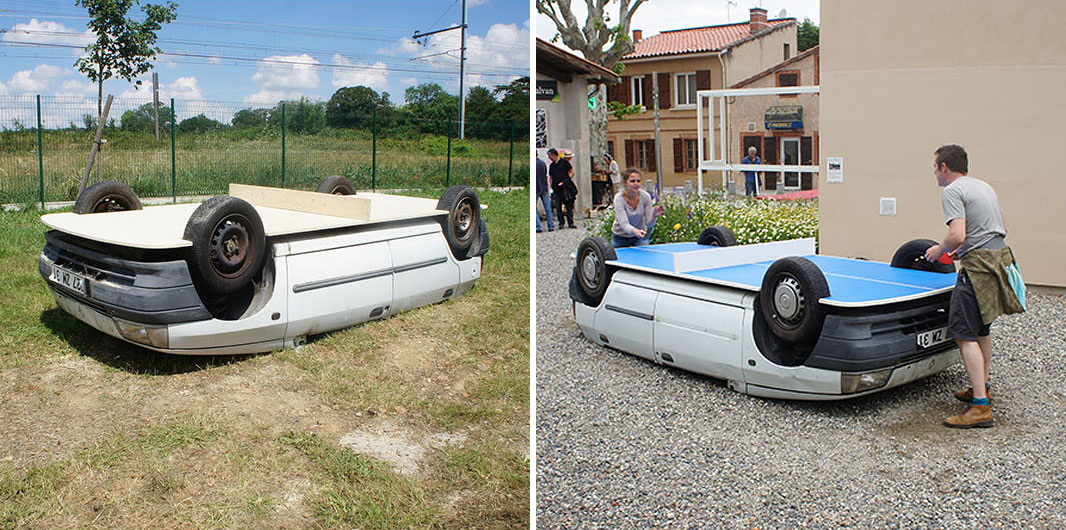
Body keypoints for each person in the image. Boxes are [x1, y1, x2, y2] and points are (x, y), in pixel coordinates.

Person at [923, 144, 1024, 429]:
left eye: (935, 167)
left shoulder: (952, 191)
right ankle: (983, 386)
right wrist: (963, 249)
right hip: (997, 261)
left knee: (963, 333)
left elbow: (956, 233)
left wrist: (939, 250)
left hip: (977, 268)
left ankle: (980, 406)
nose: (934, 173)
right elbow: (999, 224)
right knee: (982, 330)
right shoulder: (983, 186)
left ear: (944, 166)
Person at [611, 168, 666, 247]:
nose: (636, 184)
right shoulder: (619, 199)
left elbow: (649, 223)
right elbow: (624, 224)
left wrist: (654, 216)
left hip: (639, 237)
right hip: (620, 237)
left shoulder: (645, 197)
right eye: (632, 181)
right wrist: (636, 231)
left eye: (638, 181)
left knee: (645, 257)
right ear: (625, 183)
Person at [548, 148, 578, 228]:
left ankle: (570, 222)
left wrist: (567, 180)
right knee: (558, 206)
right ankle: (561, 222)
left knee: (568, 205)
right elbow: (551, 176)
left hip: (565, 187)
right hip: (556, 188)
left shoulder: (564, 162)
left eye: (550, 156)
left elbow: (572, 171)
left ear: (554, 155)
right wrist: (551, 185)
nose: (549, 158)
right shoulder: (552, 165)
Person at [535, 154, 555, 232]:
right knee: (548, 208)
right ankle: (551, 226)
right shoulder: (542, 163)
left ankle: (538, 226)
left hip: (536, 188)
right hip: (544, 187)